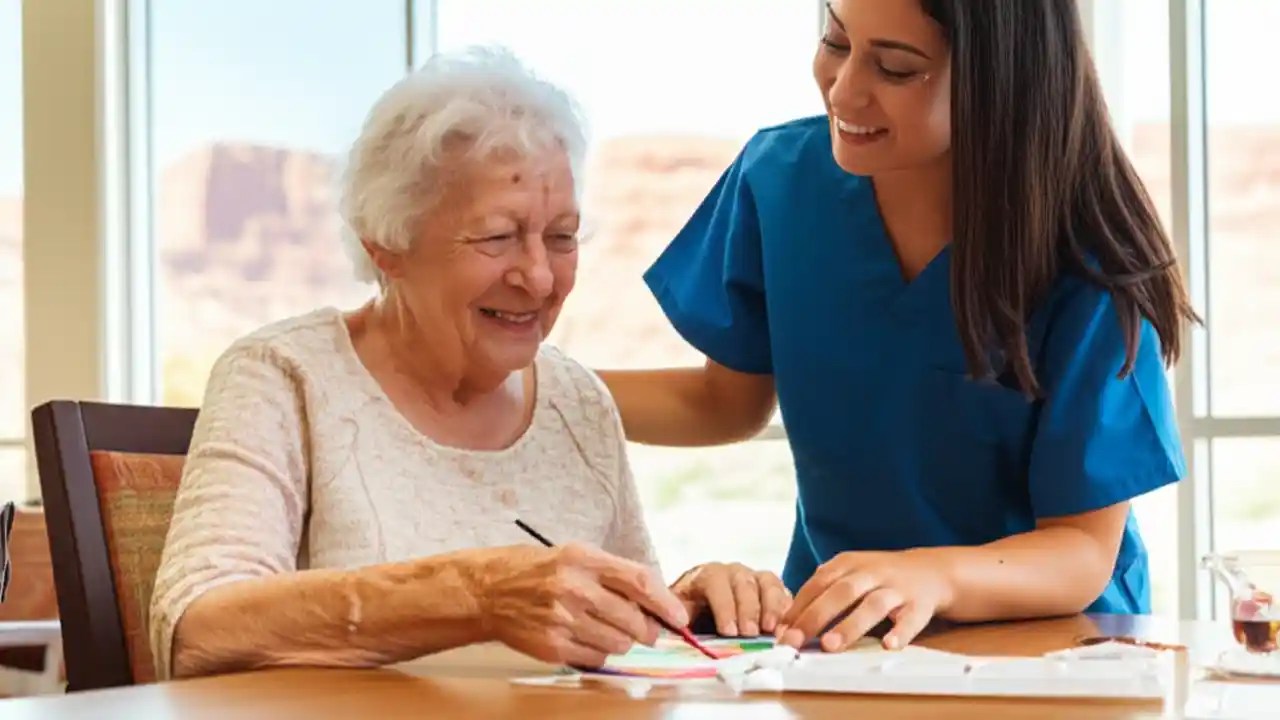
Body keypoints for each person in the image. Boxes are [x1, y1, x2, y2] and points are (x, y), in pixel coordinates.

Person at [148, 47, 789, 681]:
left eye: (561, 237)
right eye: (496, 238)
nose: (539, 277)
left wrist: (688, 607)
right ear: (388, 247)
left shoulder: (577, 401)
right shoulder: (283, 375)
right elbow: (198, 631)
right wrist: (475, 594)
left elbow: (624, 653)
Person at [598, 0, 1195, 654]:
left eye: (895, 68)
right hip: (846, 644)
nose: (844, 87)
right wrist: (525, 385)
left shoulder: (1085, 257)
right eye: (836, 41)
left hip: (1050, 651)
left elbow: (1081, 549)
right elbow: (722, 403)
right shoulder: (779, 182)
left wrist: (929, 575)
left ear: (1000, 79)